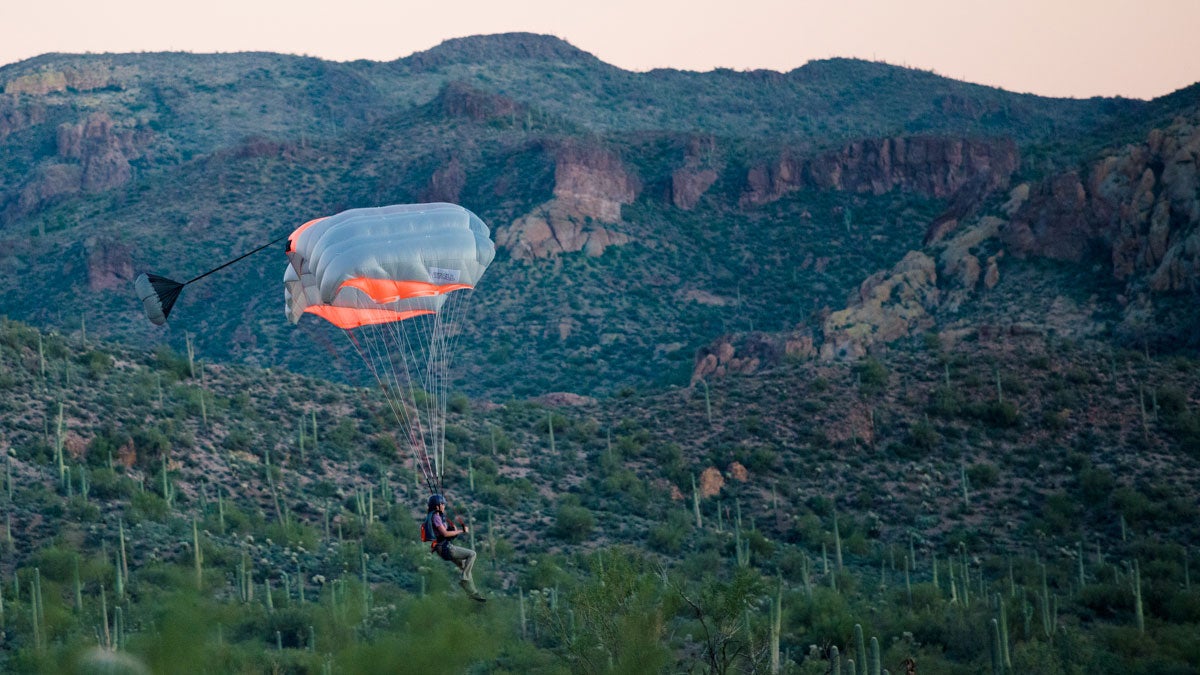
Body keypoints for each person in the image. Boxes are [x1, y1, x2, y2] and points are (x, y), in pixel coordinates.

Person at [424, 494, 486, 601]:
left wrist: (454, 530)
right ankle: (464, 579)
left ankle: (472, 593)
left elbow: (446, 533)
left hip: (443, 549)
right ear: (437, 506)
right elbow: (445, 534)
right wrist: (461, 531)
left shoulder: (436, 516)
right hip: (446, 548)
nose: (444, 506)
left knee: (465, 567)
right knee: (472, 554)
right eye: (442, 504)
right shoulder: (436, 517)